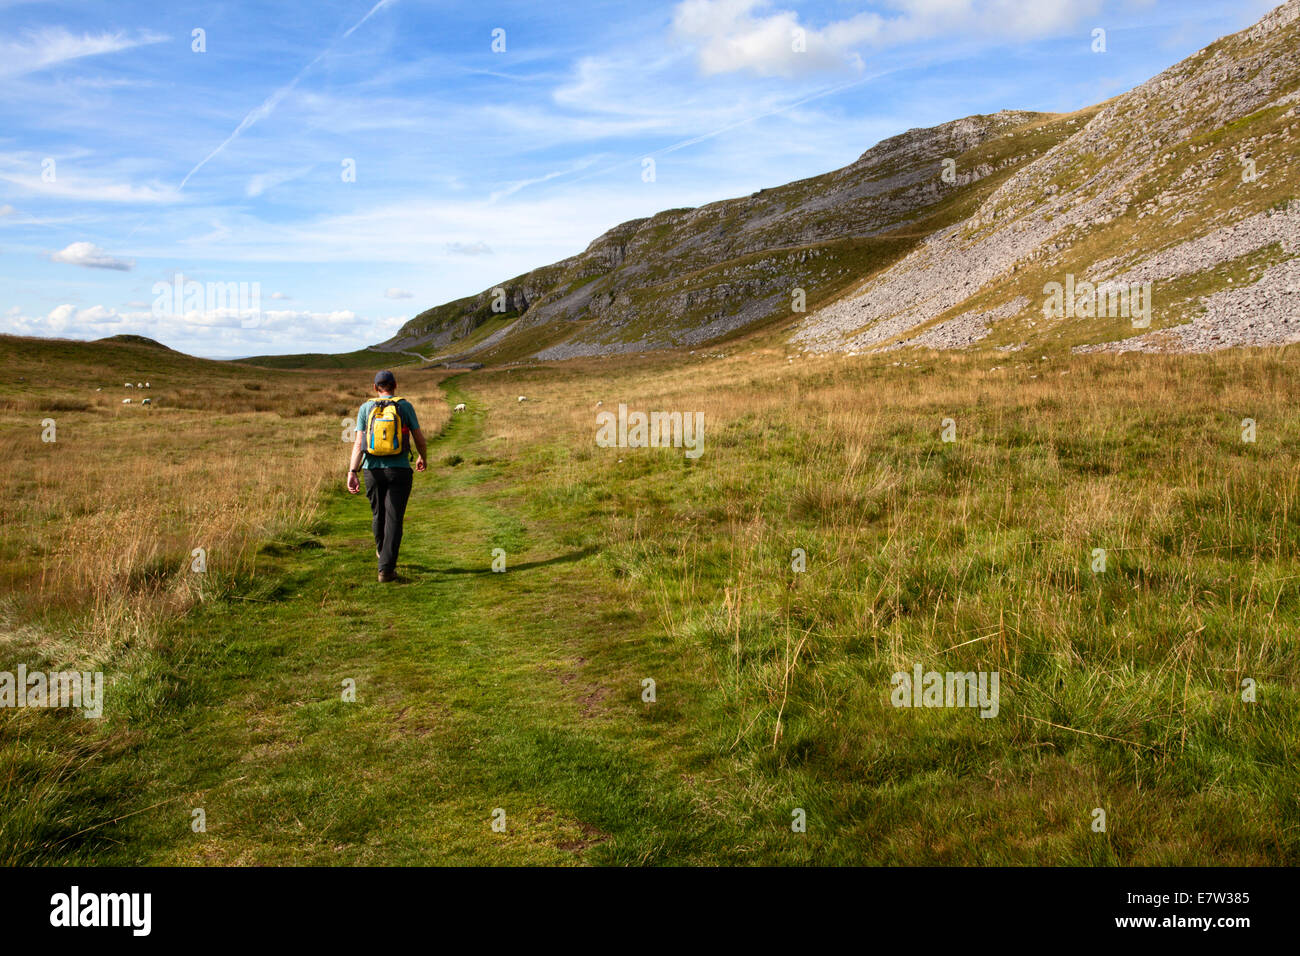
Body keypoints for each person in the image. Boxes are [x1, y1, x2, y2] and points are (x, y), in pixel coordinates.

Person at [347, 370, 427, 582]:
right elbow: (419, 437)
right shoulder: (404, 406)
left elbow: (358, 444)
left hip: (371, 470)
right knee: (394, 518)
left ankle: (383, 555)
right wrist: (422, 457)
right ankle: (386, 570)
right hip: (399, 469)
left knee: (378, 514)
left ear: (375, 388)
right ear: (395, 385)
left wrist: (352, 471)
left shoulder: (365, 408)